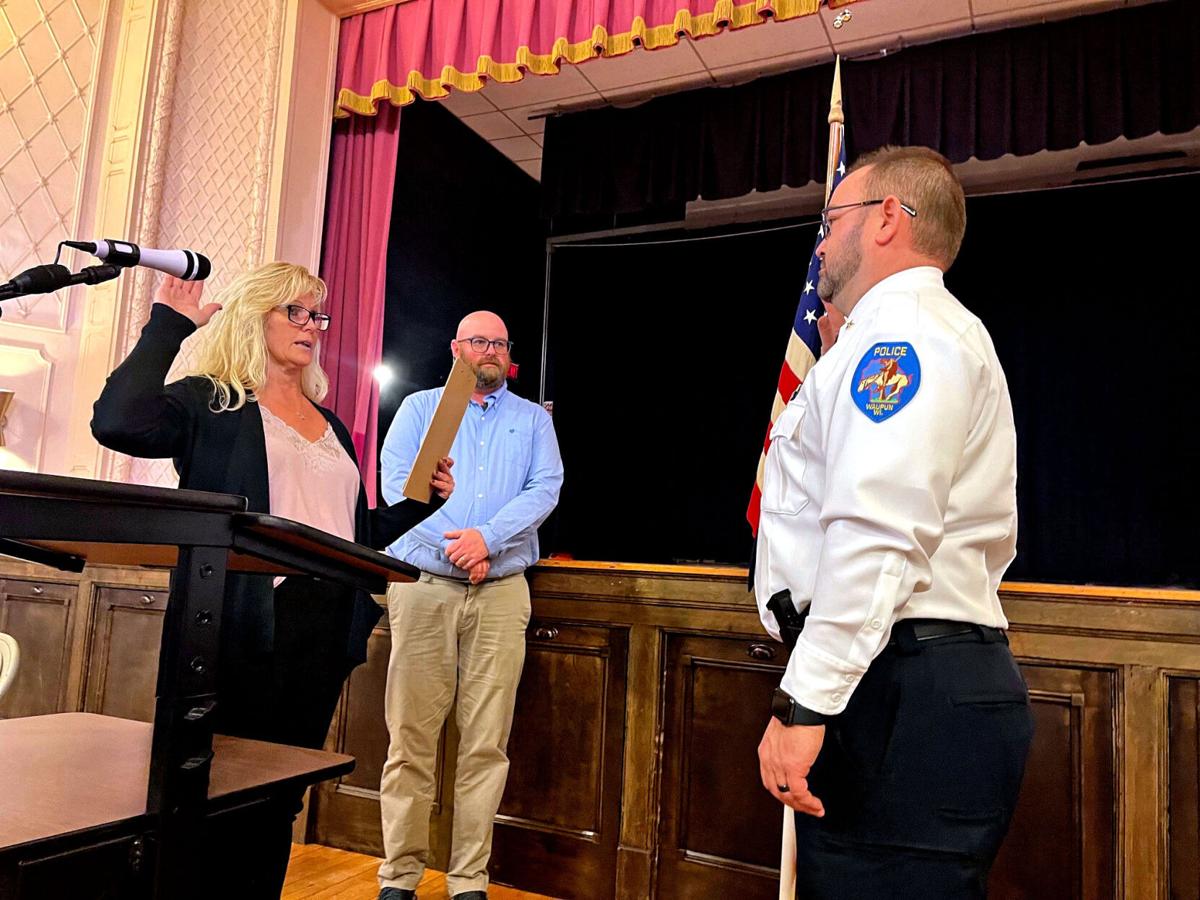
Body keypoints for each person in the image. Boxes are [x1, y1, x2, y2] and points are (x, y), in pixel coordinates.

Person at [91, 263, 454, 898]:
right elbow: (117, 421)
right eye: (296, 311)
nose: (313, 326)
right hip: (239, 621)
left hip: (324, 630)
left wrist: (422, 504)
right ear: (255, 315)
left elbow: (351, 534)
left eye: (318, 315)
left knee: (279, 797)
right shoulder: (214, 399)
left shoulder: (331, 423)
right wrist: (169, 326)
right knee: (214, 793)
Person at [754, 146, 1034, 898]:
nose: (819, 242)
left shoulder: (899, 338)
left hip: (903, 688)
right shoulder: (908, 331)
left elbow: (878, 535)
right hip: (901, 679)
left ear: (886, 219)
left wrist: (805, 702)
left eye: (830, 219)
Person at [376, 311, 563, 900]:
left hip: (502, 593)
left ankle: (468, 881)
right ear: (456, 347)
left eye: (499, 342)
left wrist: (489, 540)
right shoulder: (421, 409)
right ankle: (399, 877)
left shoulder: (533, 419)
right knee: (410, 740)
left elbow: (545, 488)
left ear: (509, 355)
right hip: (424, 587)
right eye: (478, 340)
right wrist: (463, 548)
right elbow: (396, 490)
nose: (489, 350)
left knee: (486, 743)